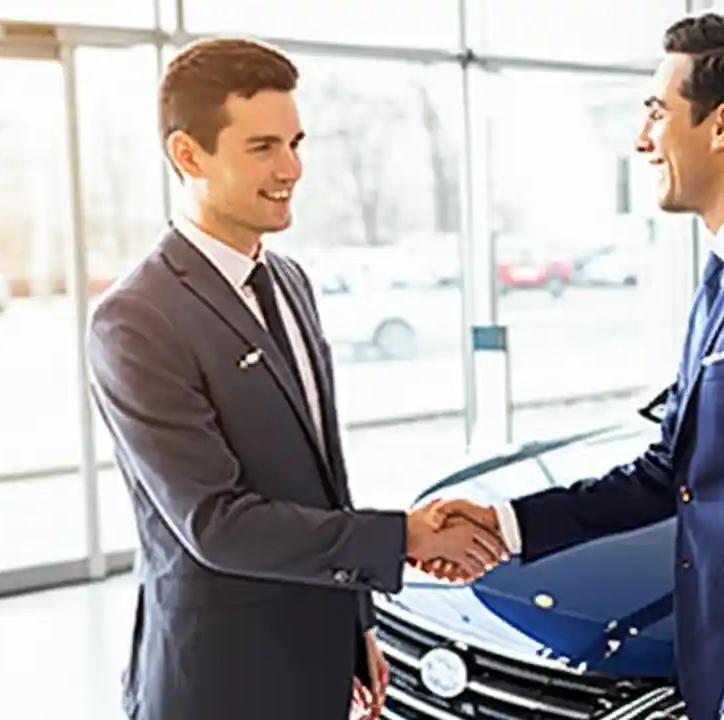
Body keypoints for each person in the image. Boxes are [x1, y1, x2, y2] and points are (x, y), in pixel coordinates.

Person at [431, 13, 724, 720]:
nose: (642, 138)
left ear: (722, 126)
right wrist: (506, 522)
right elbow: (672, 470)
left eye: (657, 112)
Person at [87, 37, 507, 720]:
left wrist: (357, 623)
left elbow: (322, 477)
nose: (292, 168)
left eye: (295, 142)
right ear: (187, 155)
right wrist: (407, 536)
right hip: (215, 674)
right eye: (263, 148)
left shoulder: (288, 281)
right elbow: (215, 523)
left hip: (314, 645)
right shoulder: (136, 319)